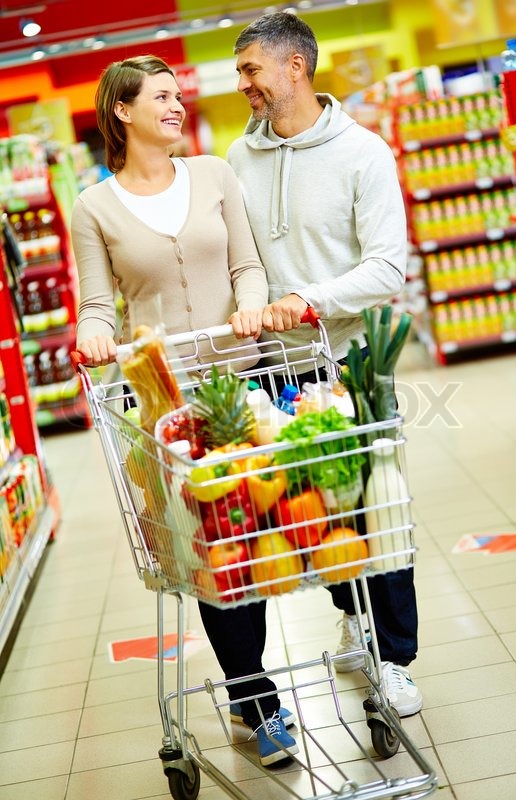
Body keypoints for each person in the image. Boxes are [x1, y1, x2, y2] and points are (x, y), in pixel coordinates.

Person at [70, 54, 298, 767]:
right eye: (161, 97)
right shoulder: (92, 207)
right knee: (212, 555)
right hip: (166, 407)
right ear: (122, 112)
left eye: (177, 95)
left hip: (243, 392)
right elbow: (97, 304)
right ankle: (254, 697)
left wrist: (254, 302)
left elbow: (245, 265)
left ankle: (249, 688)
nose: (177, 105)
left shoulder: (213, 175)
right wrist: (93, 335)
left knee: (258, 537)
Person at [227, 12, 422, 717]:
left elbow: (385, 268)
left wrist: (308, 299)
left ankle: (396, 658)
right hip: (274, 375)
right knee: (314, 516)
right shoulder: (235, 158)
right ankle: (351, 617)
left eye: (250, 68)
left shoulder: (363, 154)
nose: (241, 82)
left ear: (294, 68)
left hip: (349, 360)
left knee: (380, 508)